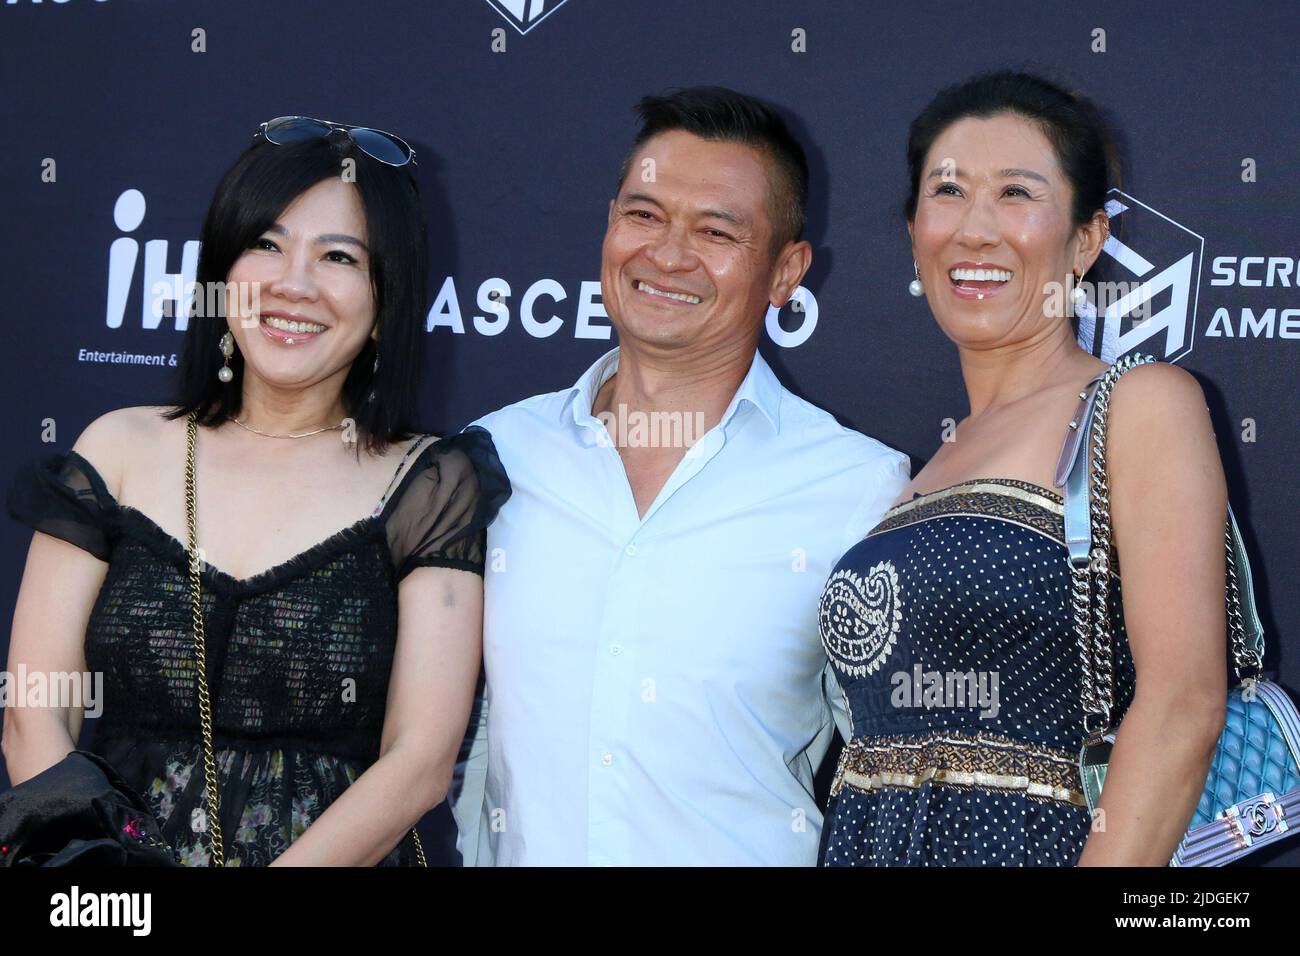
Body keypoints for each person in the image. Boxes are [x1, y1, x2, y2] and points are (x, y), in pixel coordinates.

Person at [3, 117, 510, 866]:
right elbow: (33, 710)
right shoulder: (116, 448)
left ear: (385, 301)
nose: (292, 283)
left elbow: (419, 763)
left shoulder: (429, 484)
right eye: (265, 245)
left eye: (338, 256)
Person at [452, 86, 910, 866]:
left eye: (716, 231)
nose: (667, 254)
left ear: (786, 270)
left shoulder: (858, 490)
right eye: (644, 215)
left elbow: (892, 778)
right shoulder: (495, 455)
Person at [817, 71, 1227, 866]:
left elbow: (1183, 704)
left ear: (1086, 239)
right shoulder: (918, 472)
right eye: (948, 191)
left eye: (1016, 193)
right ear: (913, 233)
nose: (975, 229)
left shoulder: (1136, 405)